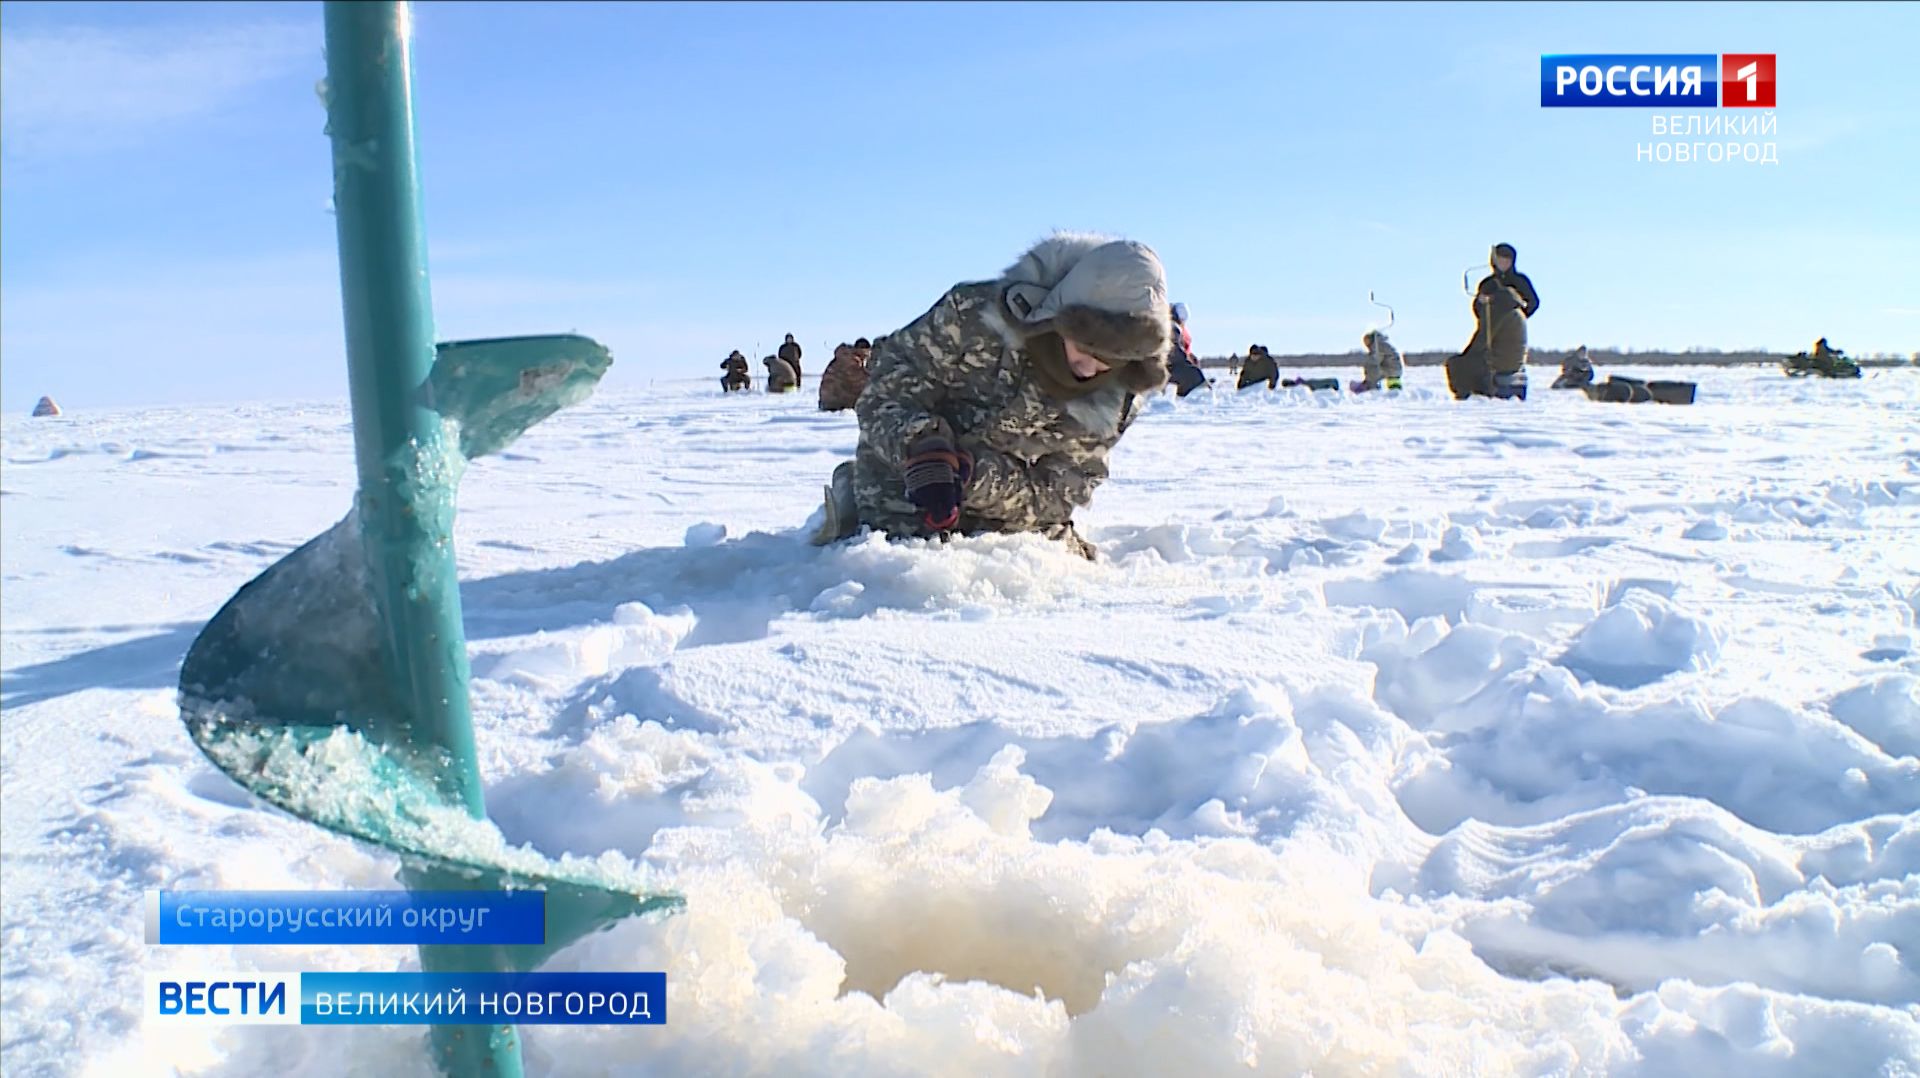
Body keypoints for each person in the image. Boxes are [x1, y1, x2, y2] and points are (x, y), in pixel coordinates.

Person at [809, 231, 1173, 560]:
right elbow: (885, 390)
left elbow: (1058, 495)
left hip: (1009, 514)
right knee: (895, 556)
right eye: (1087, 347)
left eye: (1110, 361)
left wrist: (973, 476)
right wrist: (923, 447)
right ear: (1060, 318)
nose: (1091, 369)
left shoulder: (1116, 400)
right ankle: (854, 493)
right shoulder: (972, 315)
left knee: (1039, 565)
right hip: (906, 479)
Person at [1449, 242, 1539, 400]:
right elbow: (1478, 309)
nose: (1504, 263)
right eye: (1501, 259)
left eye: (1507, 259)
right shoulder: (1488, 283)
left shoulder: (1520, 281)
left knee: (1464, 364)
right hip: (1491, 328)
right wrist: (1483, 305)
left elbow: (1533, 303)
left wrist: (1515, 316)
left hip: (1509, 331)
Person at [1167, 301, 1210, 398]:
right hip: (1167, 367)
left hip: (1175, 364)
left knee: (1194, 370)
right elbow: (1175, 353)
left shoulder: (1177, 328)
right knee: (1193, 375)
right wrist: (1187, 361)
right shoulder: (1171, 328)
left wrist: (1190, 358)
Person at [818, 339, 871, 411]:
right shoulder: (852, 360)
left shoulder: (843, 357)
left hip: (828, 401)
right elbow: (861, 383)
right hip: (837, 403)